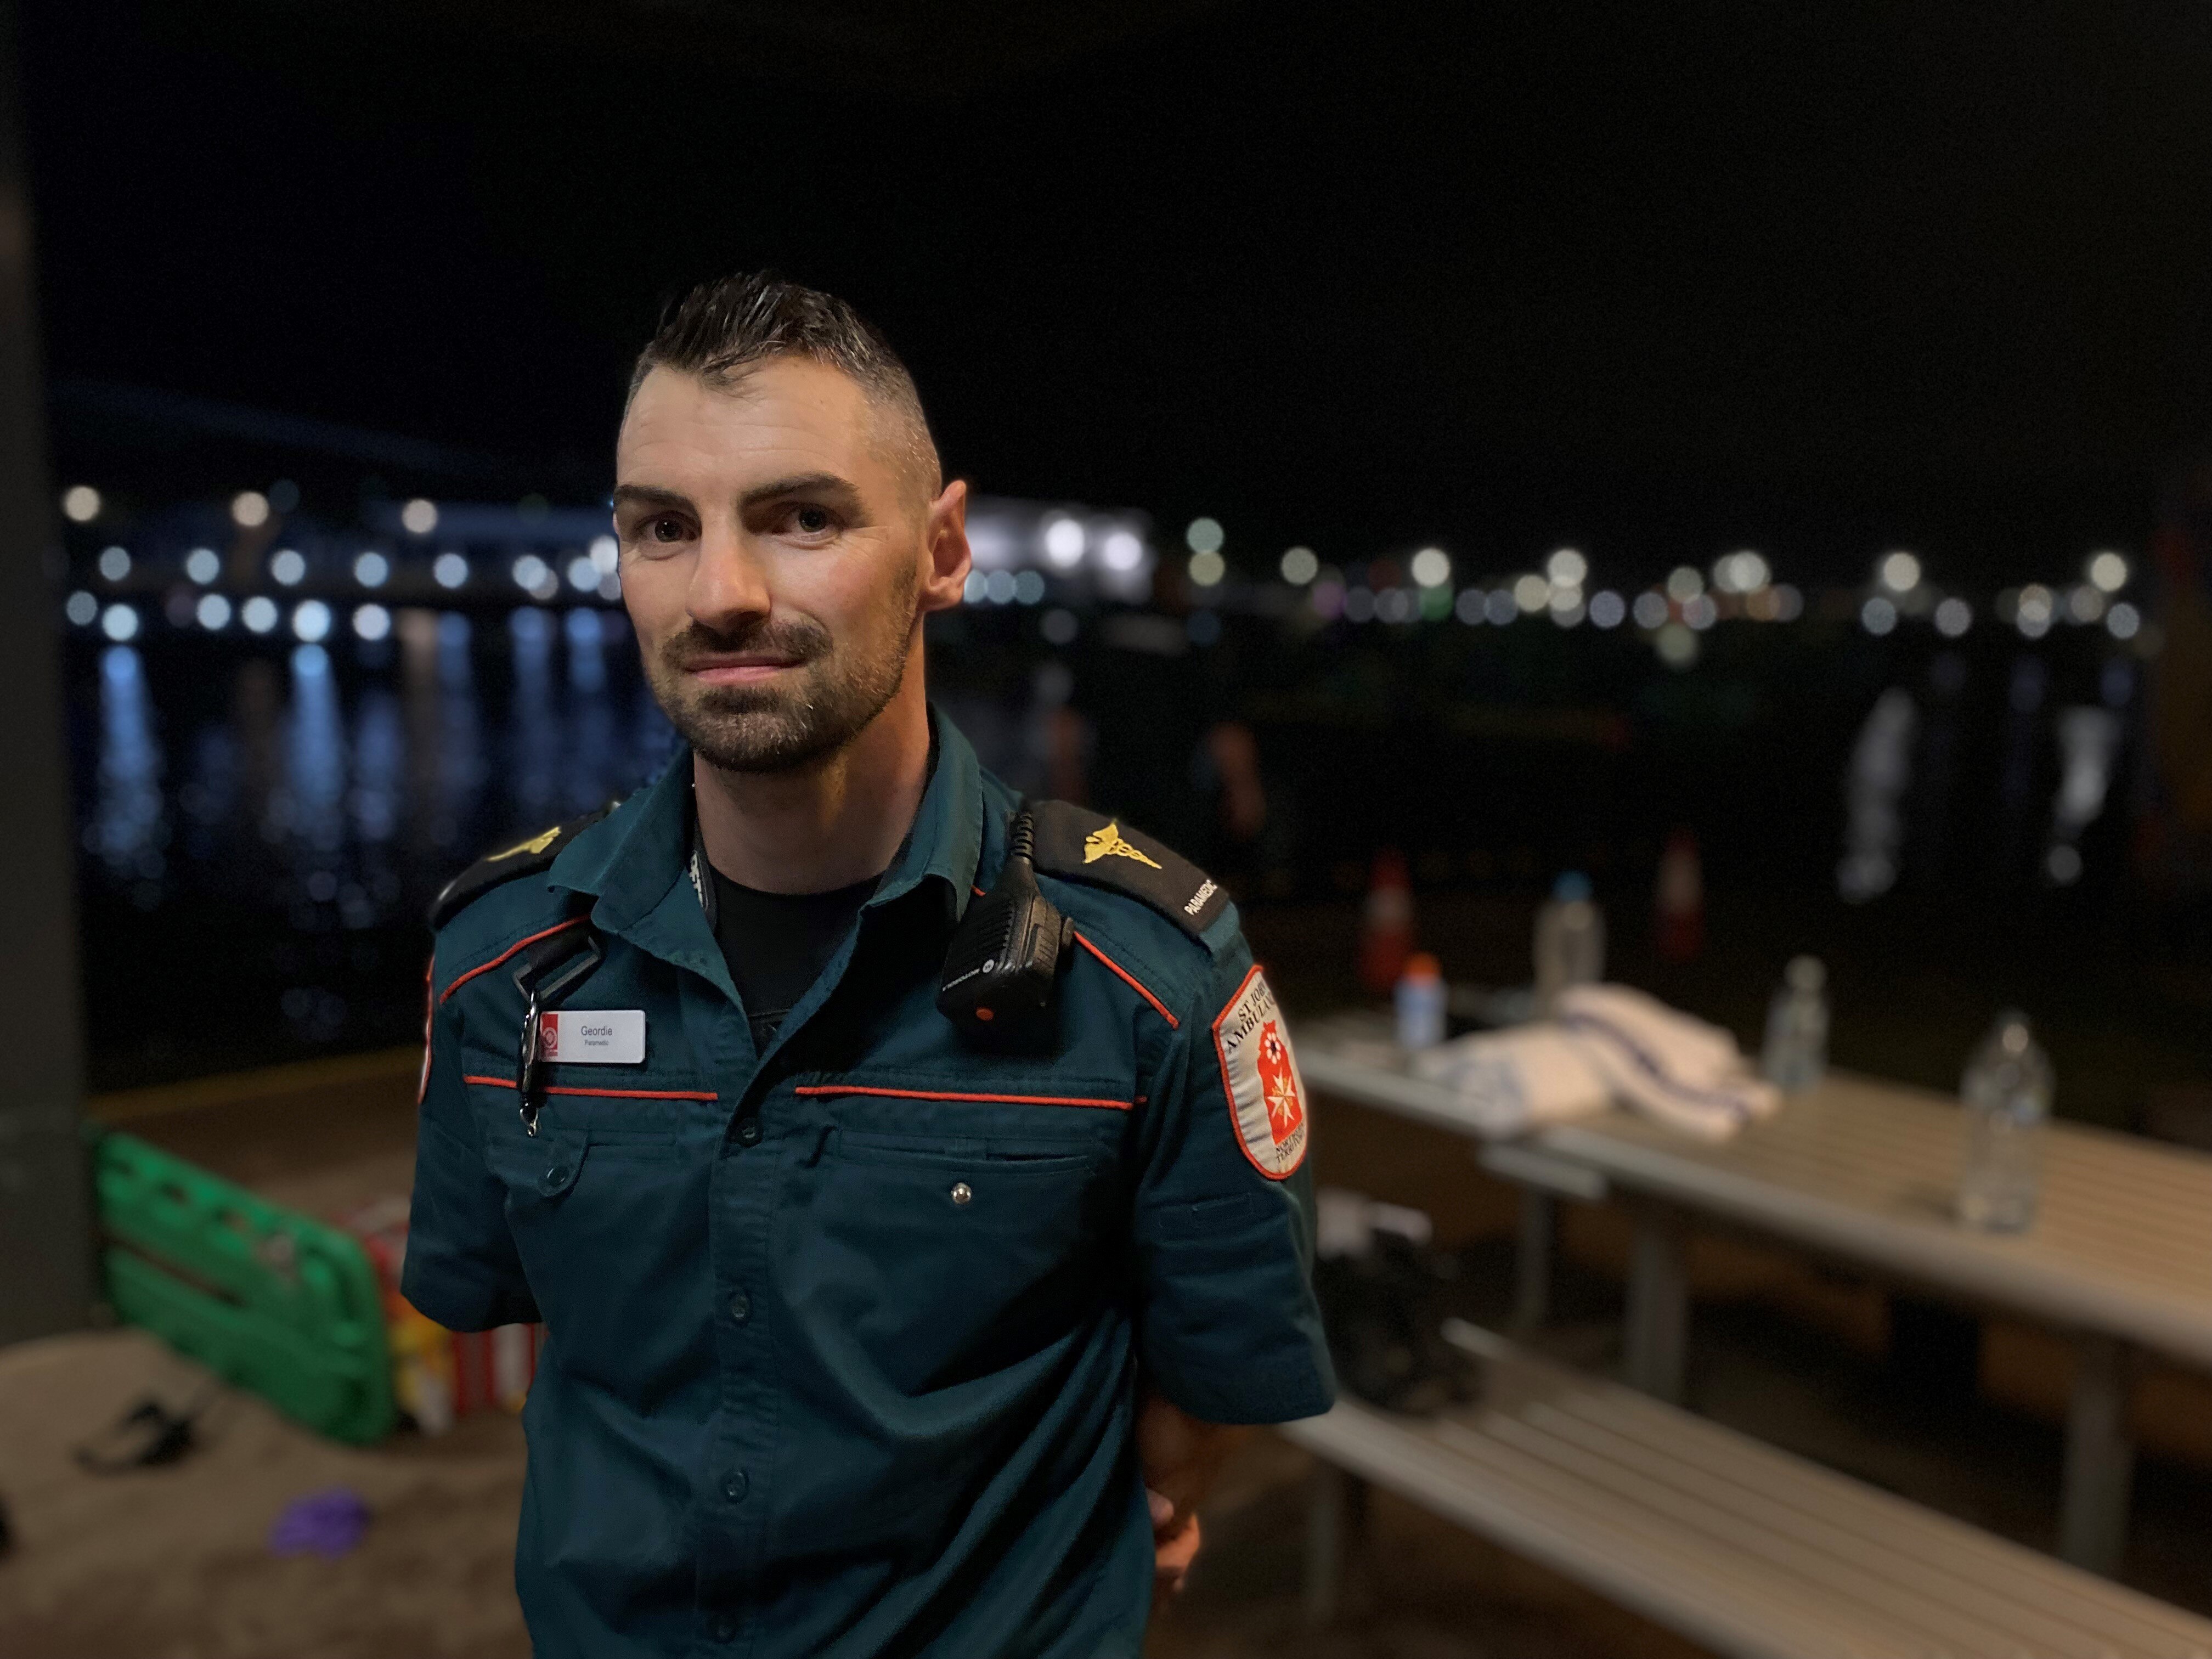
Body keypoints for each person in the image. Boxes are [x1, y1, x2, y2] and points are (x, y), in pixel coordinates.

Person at [403, 273, 1333, 1658]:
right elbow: (499, 1296)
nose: (721, 593)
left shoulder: (1149, 976)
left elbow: (1204, 1388)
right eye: (666, 527)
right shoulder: (508, 959)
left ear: (942, 551)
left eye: (803, 516)